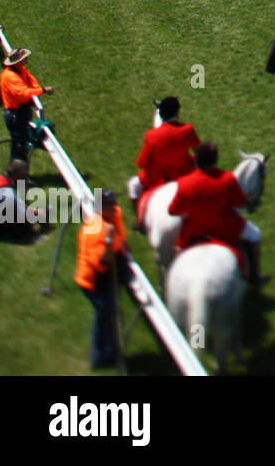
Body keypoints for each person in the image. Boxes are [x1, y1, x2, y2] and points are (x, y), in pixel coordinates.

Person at [168, 141, 269, 288]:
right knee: (255, 235)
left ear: (196, 159)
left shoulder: (184, 183)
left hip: (194, 230)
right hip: (225, 227)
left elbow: (172, 211)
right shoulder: (228, 179)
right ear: (215, 160)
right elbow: (240, 203)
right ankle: (253, 277)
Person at [75, 189, 129, 369]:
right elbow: (101, 263)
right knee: (105, 315)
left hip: (106, 273)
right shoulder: (95, 231)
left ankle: (111, 349)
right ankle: (100, 356)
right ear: (101, 208)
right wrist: (108, 239)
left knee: (110, 314)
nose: (115, 207)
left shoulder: (113, 215)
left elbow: (122, 238)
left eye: (115, 203)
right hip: (95, 281)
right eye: (111, 205)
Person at [126, 96, 198, 229]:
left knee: (133, 185)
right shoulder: (187, 130)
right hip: (184, 173)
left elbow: (142, 163)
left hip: (157, 176)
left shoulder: (151, 136)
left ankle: (141, 222)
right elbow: (199, 151)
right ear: (177, 112)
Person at [2, 48, 50, 163]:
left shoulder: (20, 69)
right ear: (18, 61)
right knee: (20, 150)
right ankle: (19, 180)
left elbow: (31, 79)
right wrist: (42, 90)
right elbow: (23, 94)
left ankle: (20, 179)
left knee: (23, 146)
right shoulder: (10, 77)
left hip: (21, 112)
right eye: (24, 58)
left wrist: (37, 88)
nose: (27, 60)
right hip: (16, 115)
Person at [0, 158, 44, 240]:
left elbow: (17, 204)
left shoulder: (1, 180)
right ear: (17, 176)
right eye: (24, 175)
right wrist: (39, 215)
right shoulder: (9, 193)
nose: (26, 177)